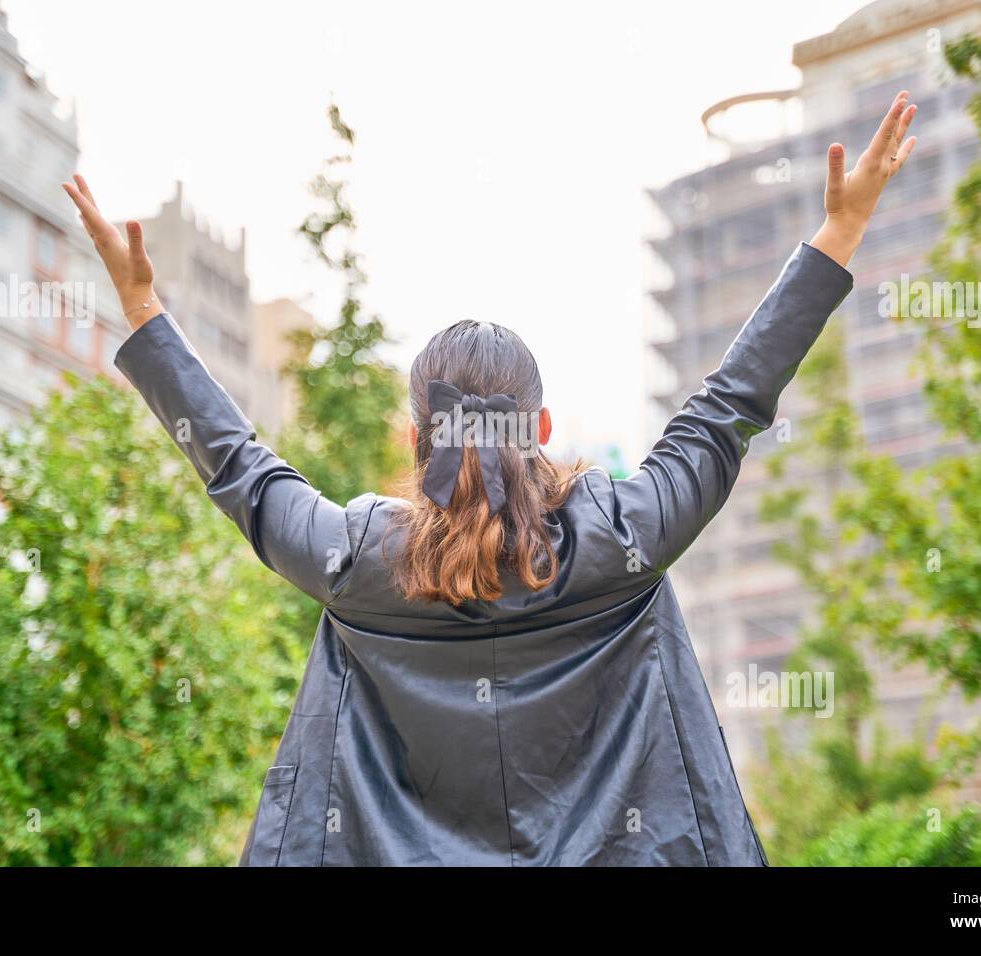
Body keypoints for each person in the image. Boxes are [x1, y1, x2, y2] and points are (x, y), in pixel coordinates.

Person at [63, 92, 918, 866]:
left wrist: (144, 310)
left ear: (413, 434)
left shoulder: (354, 563)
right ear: (540, 430)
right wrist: (836, 233)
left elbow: (239, 469)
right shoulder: (626, 540)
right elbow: (731, 403)